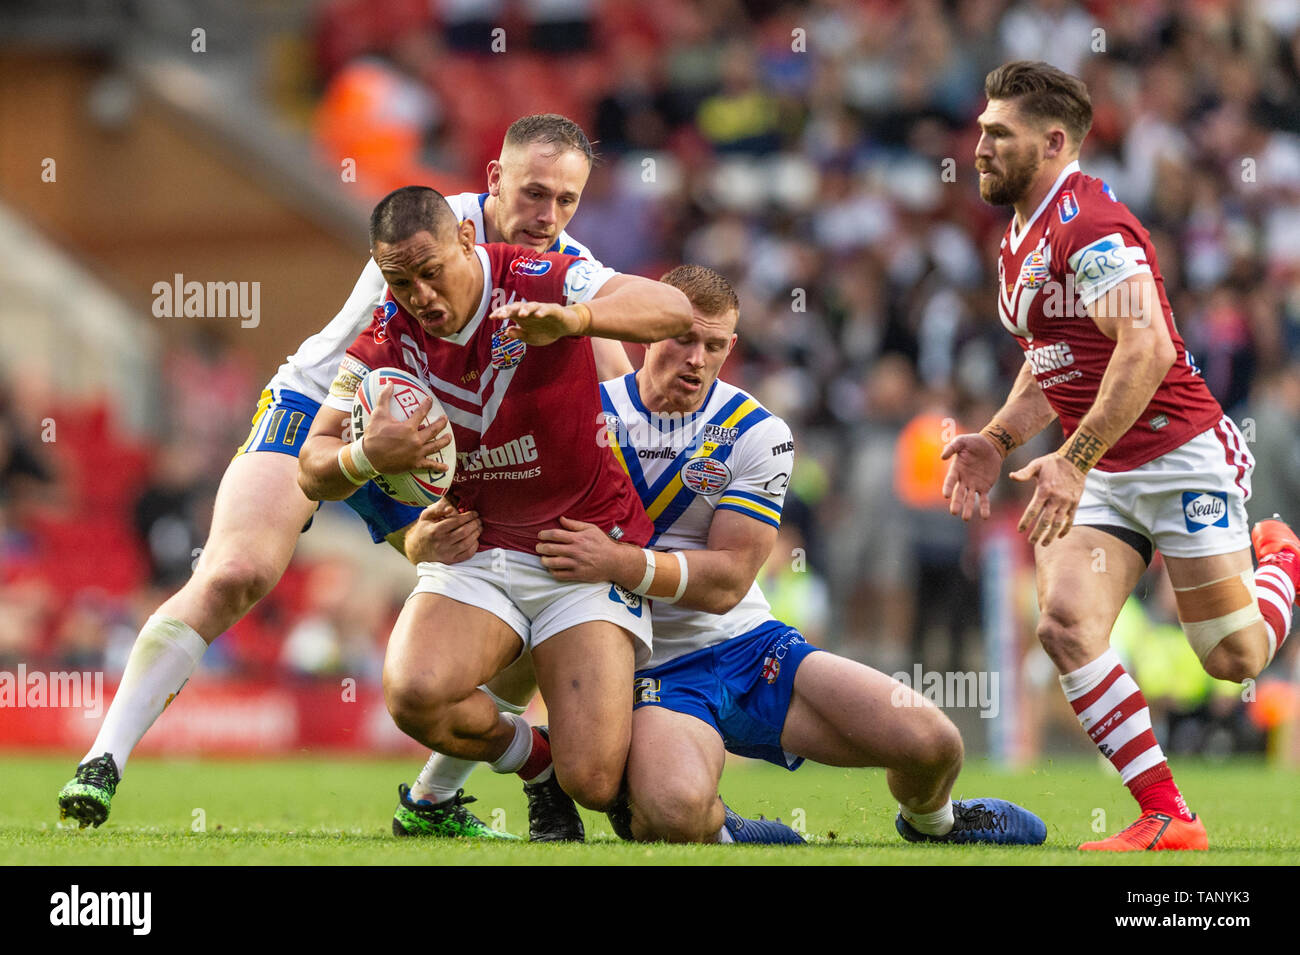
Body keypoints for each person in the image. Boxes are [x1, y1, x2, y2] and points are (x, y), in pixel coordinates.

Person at [57, 114, 627, 835]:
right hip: (322, 409)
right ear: (494, 181)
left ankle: (434, 799)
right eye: (535, 192)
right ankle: (101, 760)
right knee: (236, 570)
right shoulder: (432, 226)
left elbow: (615, 367)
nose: (548, 215)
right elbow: (390, 344)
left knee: (518, 613)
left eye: (567, 200)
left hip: (429, 451)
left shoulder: (564, 262)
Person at [531, 265, 1047, 845]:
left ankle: (936, 824)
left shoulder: (756, 431)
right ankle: (733, 832)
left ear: (732, 346)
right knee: (673, 813)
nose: (697, 358)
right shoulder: (583, 417)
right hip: (654, 671)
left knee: (932, 743)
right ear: (649, 333)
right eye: (683, 339)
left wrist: (615, 562)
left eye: (715, 344)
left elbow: (726, 581)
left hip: (750, 646)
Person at [942, 61, 1300, 851]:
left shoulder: (1090, 225)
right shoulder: (1018, 237)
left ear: (1054, 140)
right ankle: (1169, 813)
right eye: (980, 132)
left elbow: (1148, 345)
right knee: (1066, 624)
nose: (980, 148)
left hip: (1177, 455)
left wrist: (1073, 457)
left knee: (1234, 658)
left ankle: (1282, 559)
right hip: (1099, 466)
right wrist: (998, 439)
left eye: (999, 134)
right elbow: (1055, 358)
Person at [298, 186, 692, 831]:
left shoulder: (535, 275)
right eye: (400, 282)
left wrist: (575, 320)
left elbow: (672, 309)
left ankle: (641, 766)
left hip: (582, 551)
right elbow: (313, 470)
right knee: (414, 695)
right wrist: (367, 456)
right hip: (477, 553)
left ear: (463, 240)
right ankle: (536, 765)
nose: (420, 295)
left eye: (431, 273)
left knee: (595, 780)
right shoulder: (384, 336)